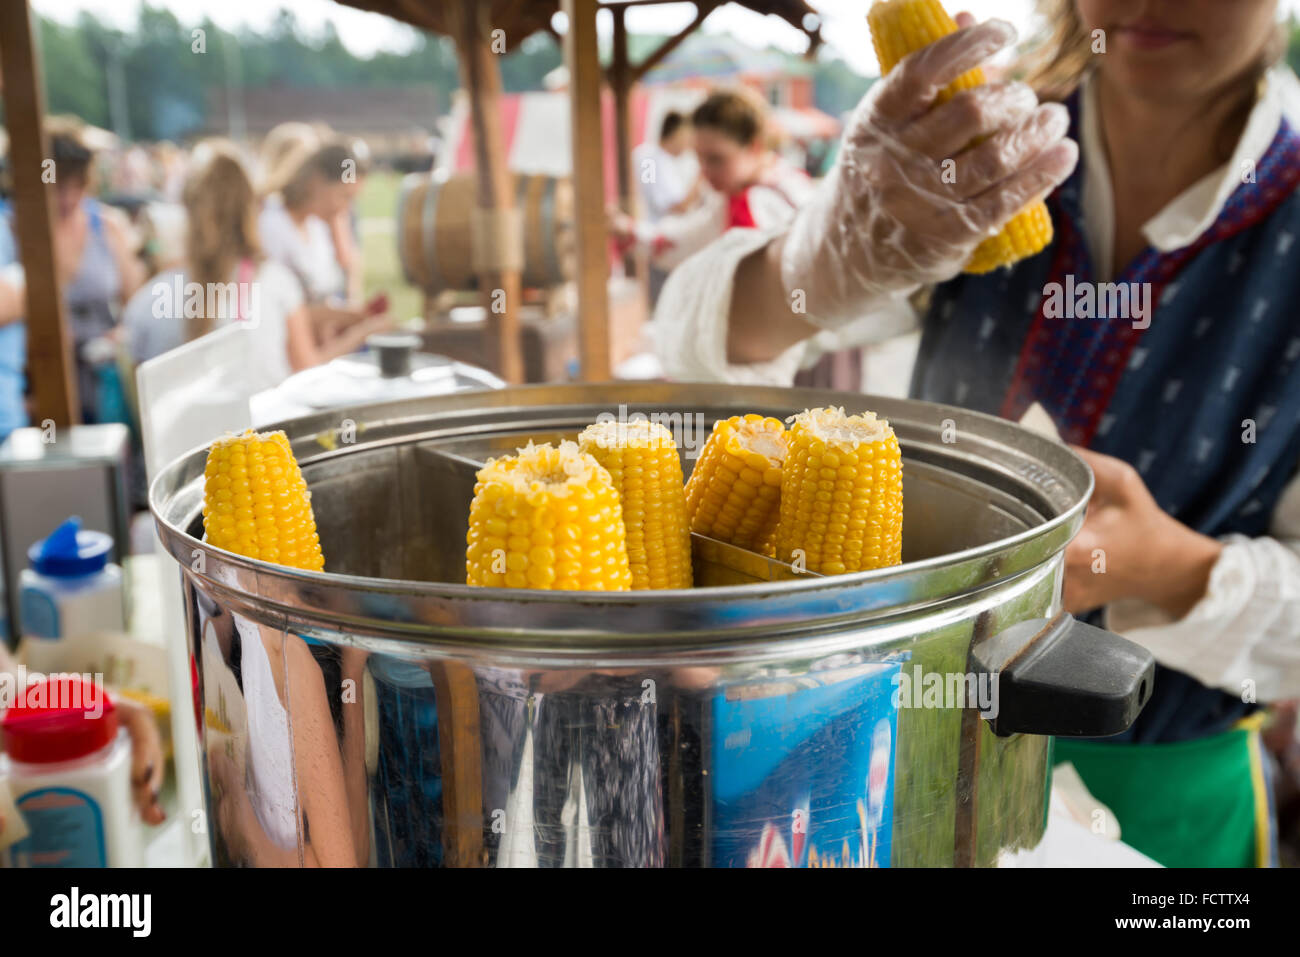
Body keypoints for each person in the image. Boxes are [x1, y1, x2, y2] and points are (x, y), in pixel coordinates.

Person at [657, 3, 1300, 868]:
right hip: (914, 757)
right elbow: (696, 340)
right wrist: (831, 257)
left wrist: (1178, 570)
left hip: (1170, 796)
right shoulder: (968, 148)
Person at [123, 142, 389, 385]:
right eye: (345, 196)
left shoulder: (148, 302)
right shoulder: (274, 280)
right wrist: (362, 331)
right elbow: (305, 371)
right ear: (252, 212)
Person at [48, 118, 146, 422]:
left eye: (75, 187)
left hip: (104, 386)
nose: (67, 199)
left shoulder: (107, 226)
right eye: (57, 188)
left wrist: (120, 333)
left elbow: (137, 304)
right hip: (47, 388)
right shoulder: (14, 231)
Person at [633, 110, 699, 222]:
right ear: (677, 134)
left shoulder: (667, 160)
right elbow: (670, 206)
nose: (688, 146)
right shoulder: (647, 158)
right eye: (687, 139)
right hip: (654, 229)